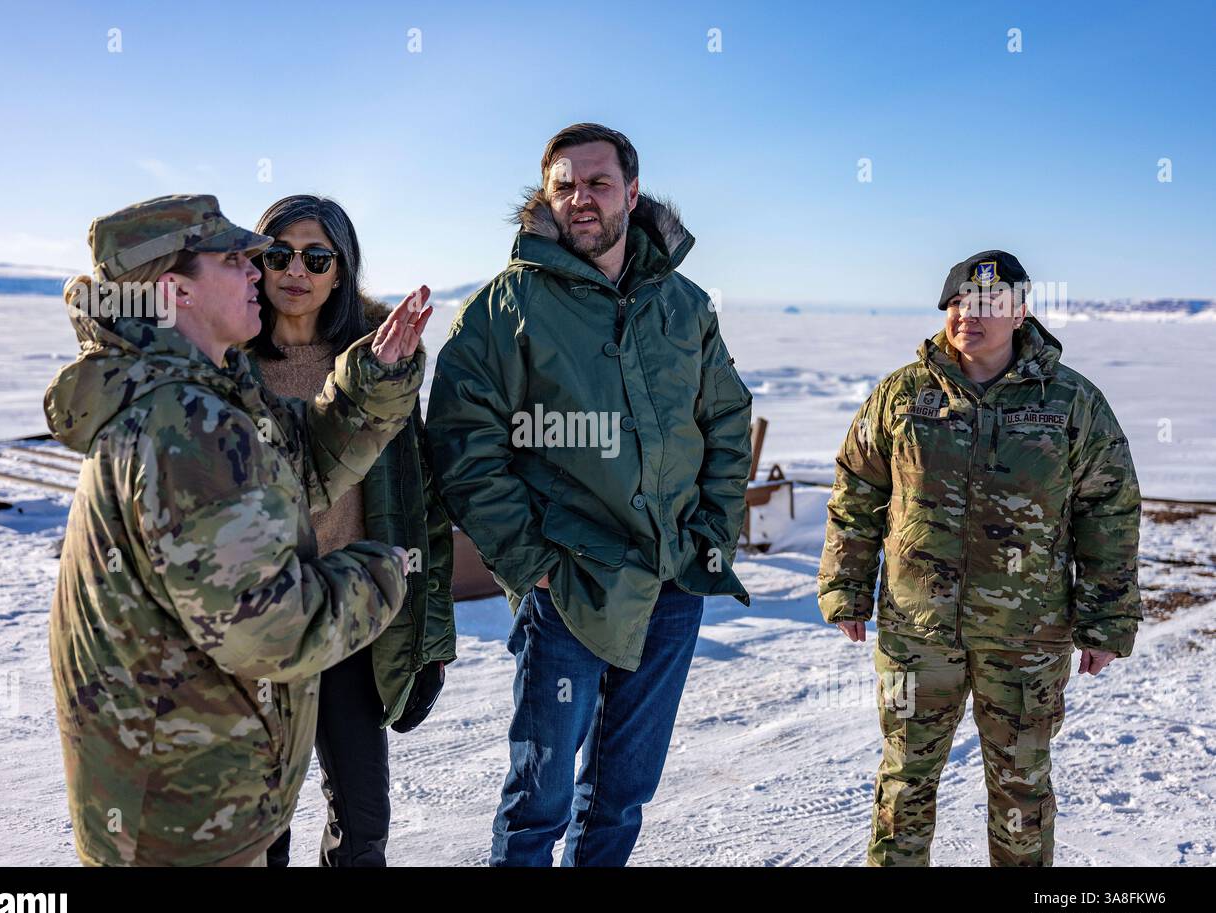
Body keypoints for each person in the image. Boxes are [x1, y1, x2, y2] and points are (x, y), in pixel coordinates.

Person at [44, 194, 428, 866]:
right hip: (186, 814)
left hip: (188, 789)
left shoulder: (192, 393)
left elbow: (296, 467)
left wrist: (368, 386)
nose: (261, 271)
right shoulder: (185, 424)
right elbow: (268, 630)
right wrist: (381, 574)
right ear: (175, 293)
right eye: (236, 260)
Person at [426, 123, 753, 866]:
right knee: (538, 801)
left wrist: (711, 530)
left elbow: (726, 419)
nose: (581, 199)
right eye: (565, 185)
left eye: (598, 184)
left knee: (623, 794)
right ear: (546, 197)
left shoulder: (684, 304)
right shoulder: (504, 308)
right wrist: (527, 558)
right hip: (569, 584)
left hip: (672, 577)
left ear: (631, 195)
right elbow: (462, 442)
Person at [817, 250, 1142, 866]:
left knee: (1020, 787)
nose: (971, 315)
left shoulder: (1070, 402)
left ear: (1021, 314)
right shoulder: (902, 395)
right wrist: (846, 585)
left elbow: (1110, 510)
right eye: (960, 303)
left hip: (1028, 635)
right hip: (918, 630)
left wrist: (1108, 620)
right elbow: (857, 490)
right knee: (904, 779)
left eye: (991, 304)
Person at [245, 195, 455, 868]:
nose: (295, 270)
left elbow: (418, 501)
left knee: (363, 821)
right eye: (278, 253)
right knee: (257, 826)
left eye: (316, 256)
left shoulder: (376, 368)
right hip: (260, 623)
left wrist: (431, 629)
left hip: (352, 613)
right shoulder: (229, 366)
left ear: (341, 270)